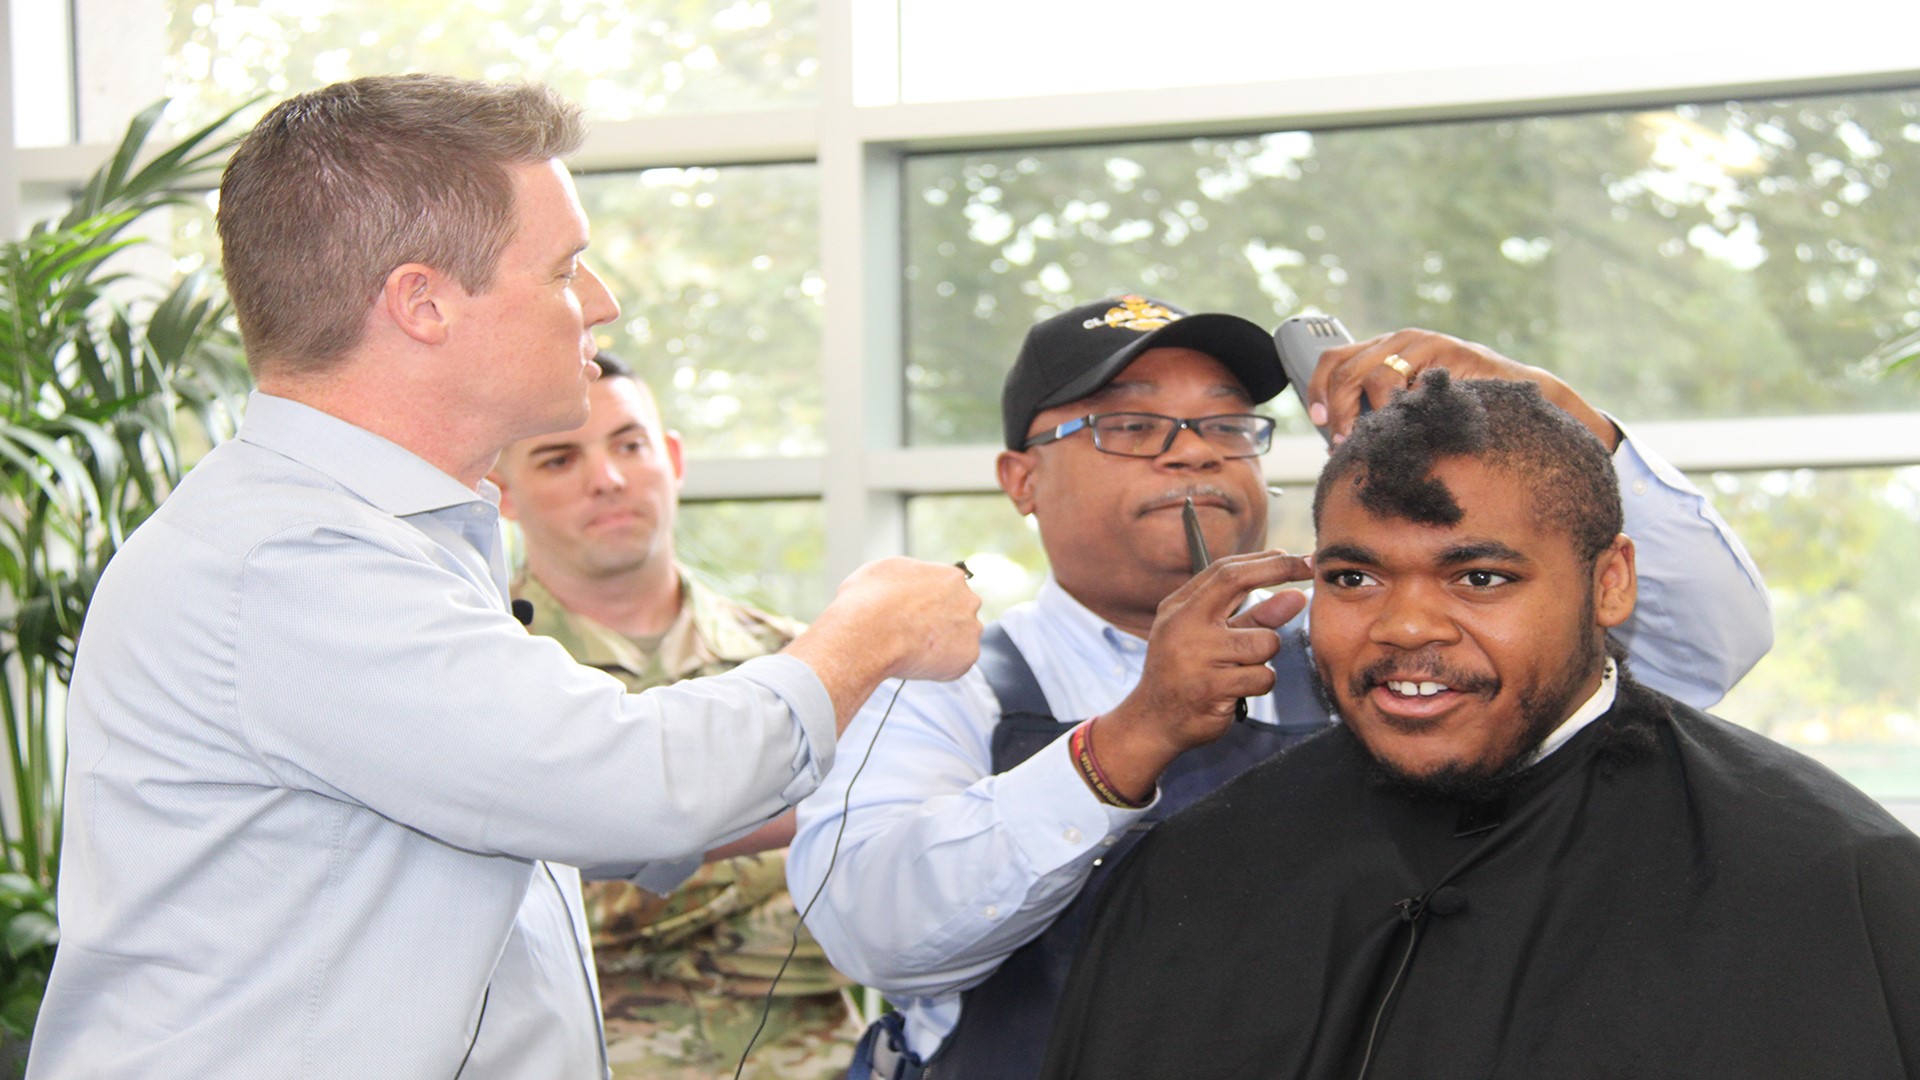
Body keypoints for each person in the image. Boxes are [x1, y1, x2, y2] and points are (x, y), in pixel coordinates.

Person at [27, 75, 980, 1080]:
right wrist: (872, 631)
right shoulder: (290, 559)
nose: (602, 303)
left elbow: (555, 806)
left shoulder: (377, 539)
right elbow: (631, 786)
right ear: (424, 303)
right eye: (566, 269)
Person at [788, 295, 1776, 1080]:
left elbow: (1705, 648)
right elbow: (881, 933)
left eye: (1227, 424)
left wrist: (1565, 420)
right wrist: (1135, 735)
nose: (1193, 450)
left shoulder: (1369, 656)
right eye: (1130, 426)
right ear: (1021, 479)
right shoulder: (946, 682)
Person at [1039, 369, 1920, 1079]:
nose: (1405, 627)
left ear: (1609, 582)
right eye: (1353, 578)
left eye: (1481, 579)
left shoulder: (1826, 879)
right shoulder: (1193, 874)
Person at [490, 353, 856, 1079]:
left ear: (674, 458)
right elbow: (492, 923)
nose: (609, 479)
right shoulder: (487, 674)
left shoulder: (799, 663)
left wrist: (617, 847)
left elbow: (882, 874)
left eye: (631, 444)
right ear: (501, 495)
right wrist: (795, 815)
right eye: (560, 458)